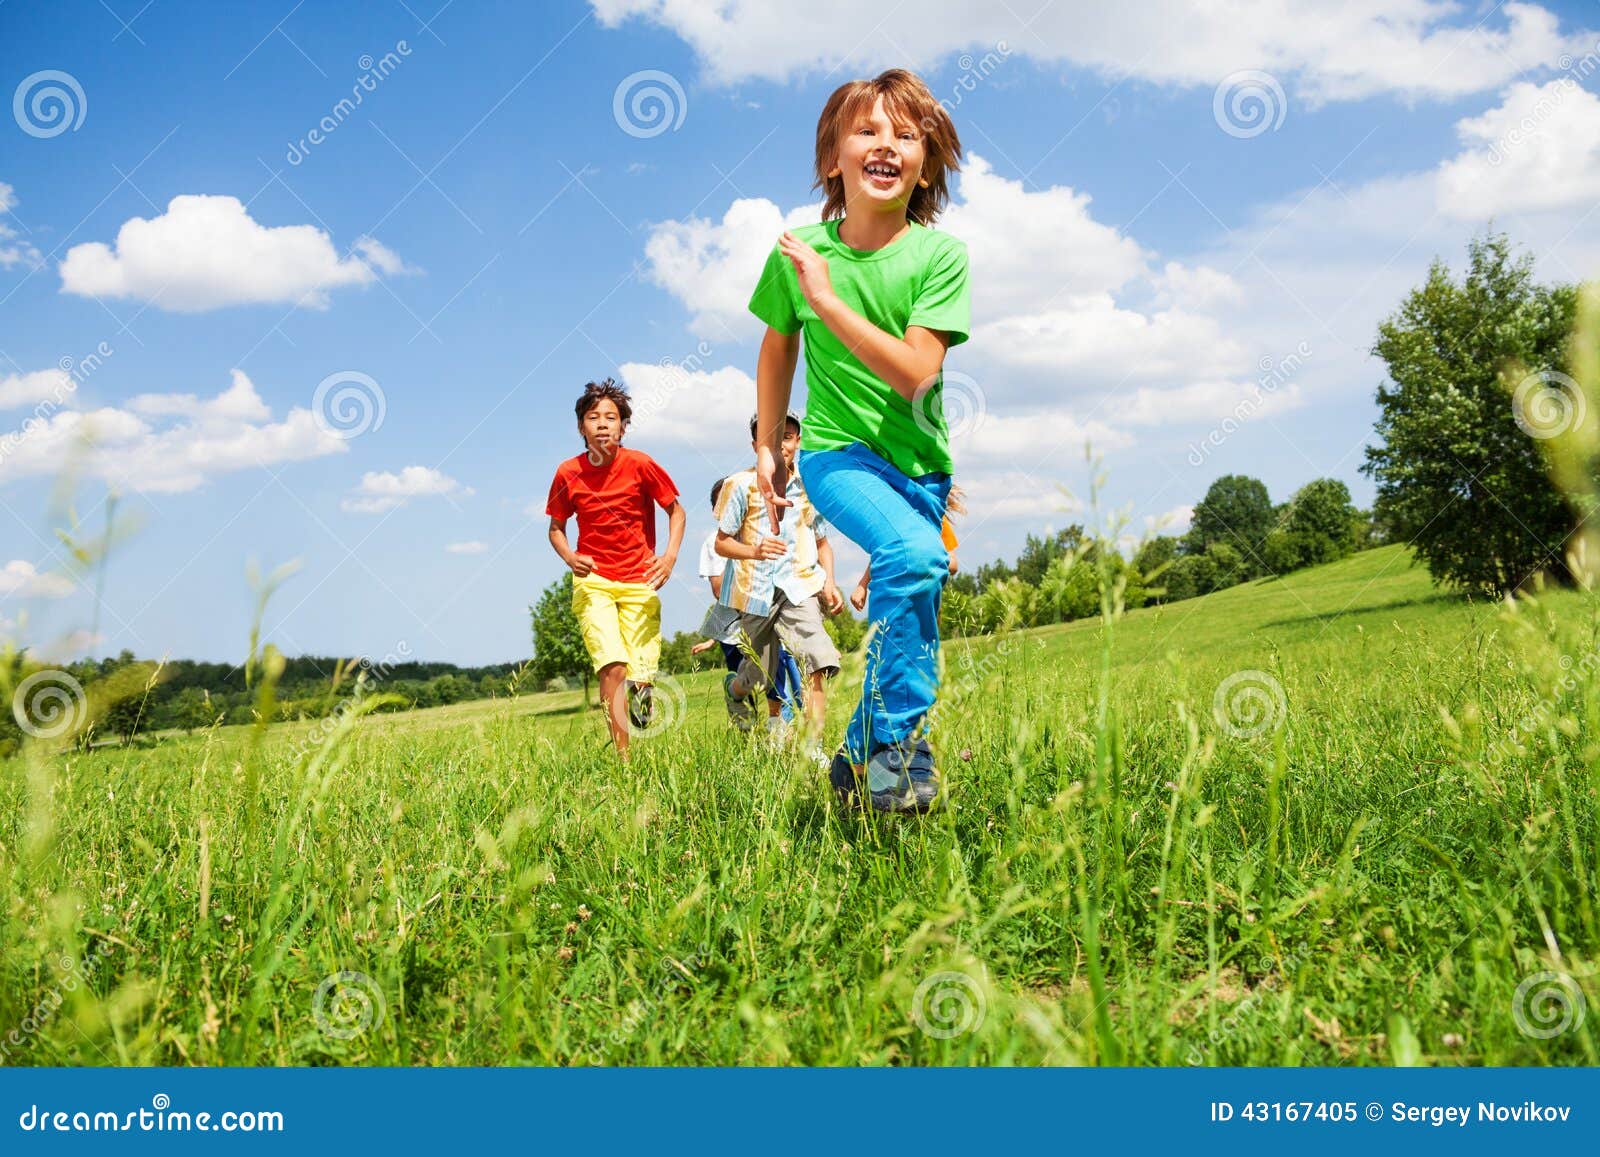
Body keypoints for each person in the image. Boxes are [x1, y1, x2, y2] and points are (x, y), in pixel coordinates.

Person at [748, 68, 968, 813]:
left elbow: (914, 373)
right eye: (868, 130)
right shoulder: (799, 252)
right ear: (832, 158)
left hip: (921, 467)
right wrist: (771, 445)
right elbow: (778, 346)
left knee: (916, 584)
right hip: (838, 455)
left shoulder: (941, 258)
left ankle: (854, 756)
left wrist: (828, 302)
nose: (887, 144)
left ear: (928, 164)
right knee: (916, 555)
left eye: (907, 135)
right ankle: (898, 751)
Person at [545, 378, 685, 757]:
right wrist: (570, 558)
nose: (603, 424)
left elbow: (676, 510)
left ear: (623, 426)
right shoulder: (566, 473)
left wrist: (668, 557)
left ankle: (644, 696)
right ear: (581, 427)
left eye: (612, 417)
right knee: (613, 667)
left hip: (640, 578)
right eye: (594, 417)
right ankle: (623, 761)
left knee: (639, 676)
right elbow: (556, 529)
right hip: (594, 582)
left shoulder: (641, 465)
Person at [714, 411, 844, 764]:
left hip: (799, 588)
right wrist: (753, 551)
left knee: (819, 656)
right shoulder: (739, 486)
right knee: (759, 676)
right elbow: (722, 544)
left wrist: (829, 582)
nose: (778, 445)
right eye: (769, 438)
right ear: (756, 445)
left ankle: (812, 746)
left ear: (798, 441)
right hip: (754, 592)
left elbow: (822, 543)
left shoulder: (810, 488)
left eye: (786, 437)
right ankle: (734, 689)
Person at [694, 477, 805, 736]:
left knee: (777, 672)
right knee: (747, 682)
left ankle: (780, 727)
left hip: (767, 615)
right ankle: (749, 733)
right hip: (734, 626)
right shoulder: (713, 543)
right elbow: (718, 588)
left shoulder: (763, 533)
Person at [852, 485, 965, 611]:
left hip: (924, 598)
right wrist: (862, 585)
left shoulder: (936, 518)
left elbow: (953, 565)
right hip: (892, 593)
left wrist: (923, 559)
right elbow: (885, 552)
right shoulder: (896, 519)